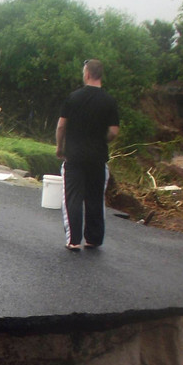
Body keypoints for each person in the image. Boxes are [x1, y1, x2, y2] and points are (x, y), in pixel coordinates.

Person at [55, 58, 120, 250]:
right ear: (100, 75)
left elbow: (61, 126)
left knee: (73, 197)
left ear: (88, 74)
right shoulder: (109, 100)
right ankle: (93, 238)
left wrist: (60, 147)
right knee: (95, 198)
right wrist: (102, 141)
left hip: (74, 156)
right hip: (98, 157)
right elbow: (114, 131)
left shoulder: (73, 97)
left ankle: (74, 240)